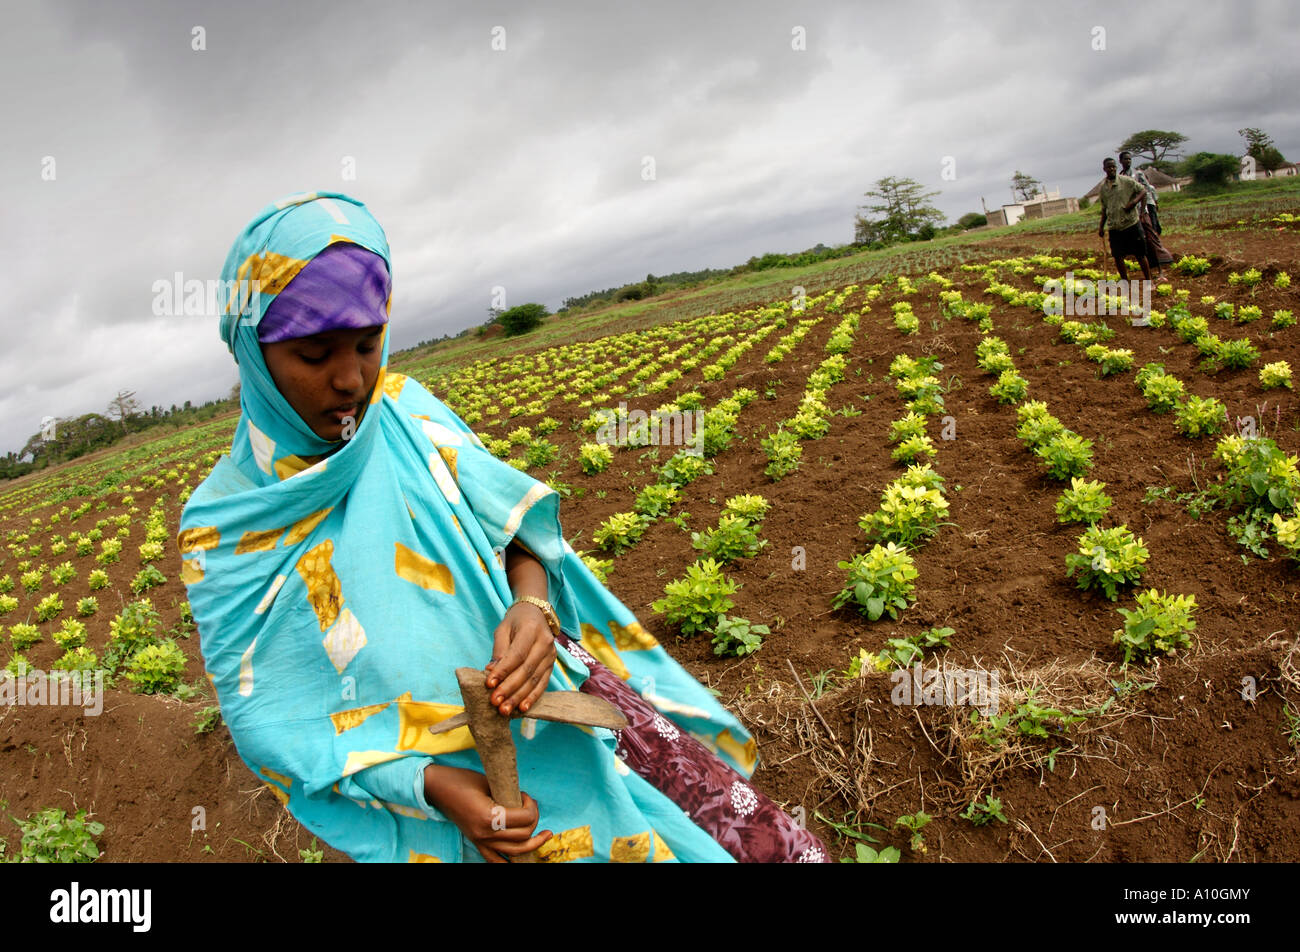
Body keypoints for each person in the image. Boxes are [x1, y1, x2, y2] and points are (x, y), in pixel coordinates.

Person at [177, 191, 829, 863]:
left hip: (567, 719)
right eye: (315, 356)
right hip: (437, 808)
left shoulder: (405, 412)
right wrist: (434, 785)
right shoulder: (227, 530)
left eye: (369, 345)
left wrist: (532, 603)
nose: (351, 379)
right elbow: (272, 724)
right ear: (254, 353)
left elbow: (513, 527)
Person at [1096, 157, 1152, 326]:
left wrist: (1135, 203)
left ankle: (1149, 281)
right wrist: (1101, 227)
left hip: (1131, 224)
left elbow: (1143, 190)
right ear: (1104, 169)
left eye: (1114, 166)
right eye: (1109, 167)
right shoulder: (1103, 189)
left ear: (1116, 167)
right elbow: (1104, 210)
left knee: (1140, 254)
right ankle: (1125, 283)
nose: (1112, 169)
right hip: (1114, 227)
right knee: (1118, 257)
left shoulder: (1127, 181)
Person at [1119, 151, 1170, 280]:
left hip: (1142, 212)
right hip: (1131, 216)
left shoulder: (1138, 174)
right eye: (1125, 159)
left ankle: (1161, 270)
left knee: (1151, 239)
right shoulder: (1120, 177)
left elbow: (1146, 191)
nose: (1128, 161)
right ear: (1121, 161)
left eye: (1129, 159)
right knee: (1140, 243)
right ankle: (1150, 272)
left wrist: (1143, 212)